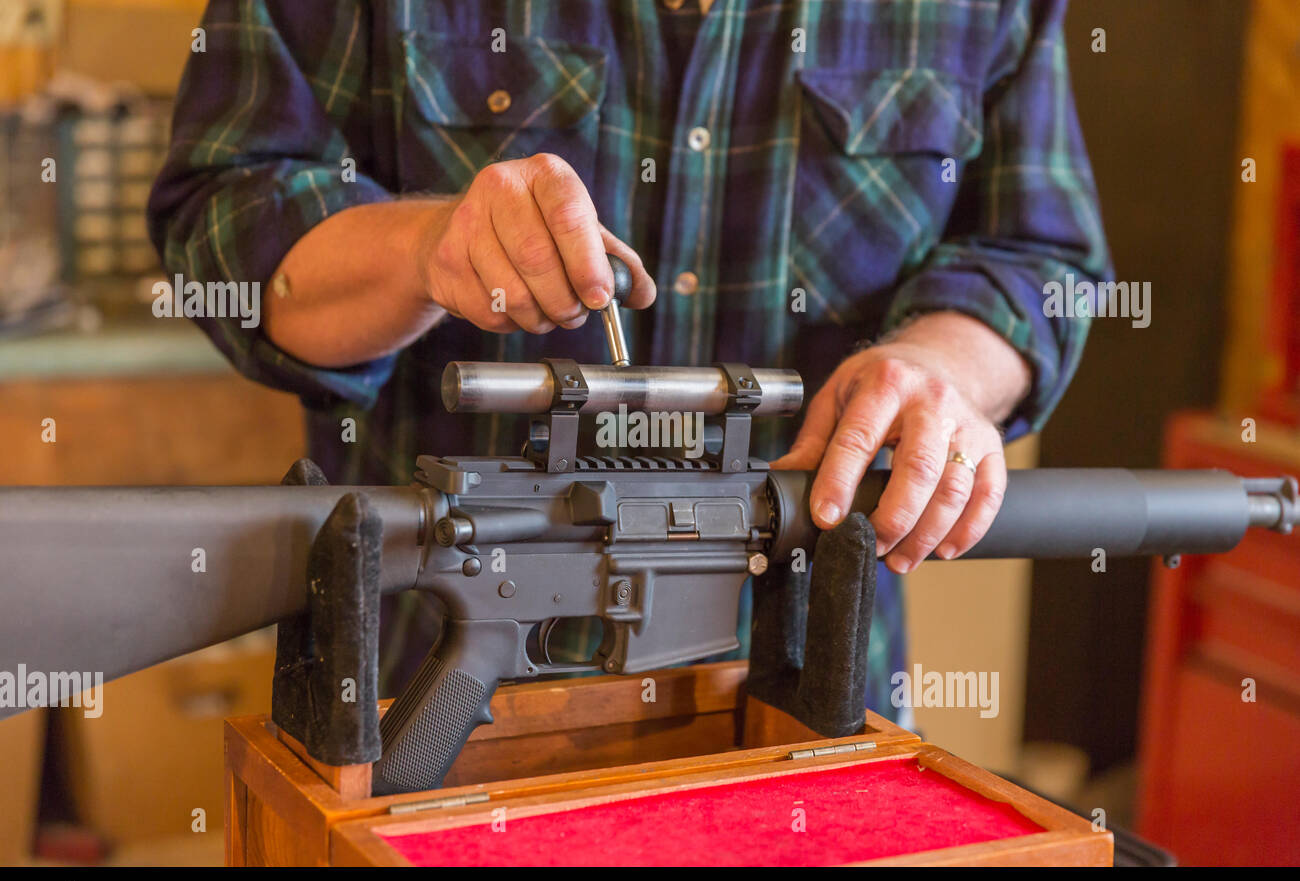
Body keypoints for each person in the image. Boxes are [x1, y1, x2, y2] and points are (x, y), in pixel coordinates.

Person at [148, 0, 1109, 718]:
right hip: (424, 676)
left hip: (806, 700)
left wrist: (938, 365)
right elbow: (223, 219)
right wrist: (425, 250)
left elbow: (1039, 255)